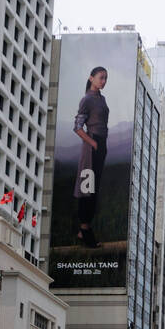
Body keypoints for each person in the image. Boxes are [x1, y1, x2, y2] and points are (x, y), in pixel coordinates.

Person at [73, 66, 109, 248]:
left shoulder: (101, 99)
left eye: (105, 78)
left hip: (101, 144)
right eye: (101, 77)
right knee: (87, 186)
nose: (103, 81)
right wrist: (93, 143)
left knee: (94, 189)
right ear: (91, 78)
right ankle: (84, 230)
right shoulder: (87, 99)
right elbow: (78, 126)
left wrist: (100, 145)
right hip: (92, 145)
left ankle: (85, 229)